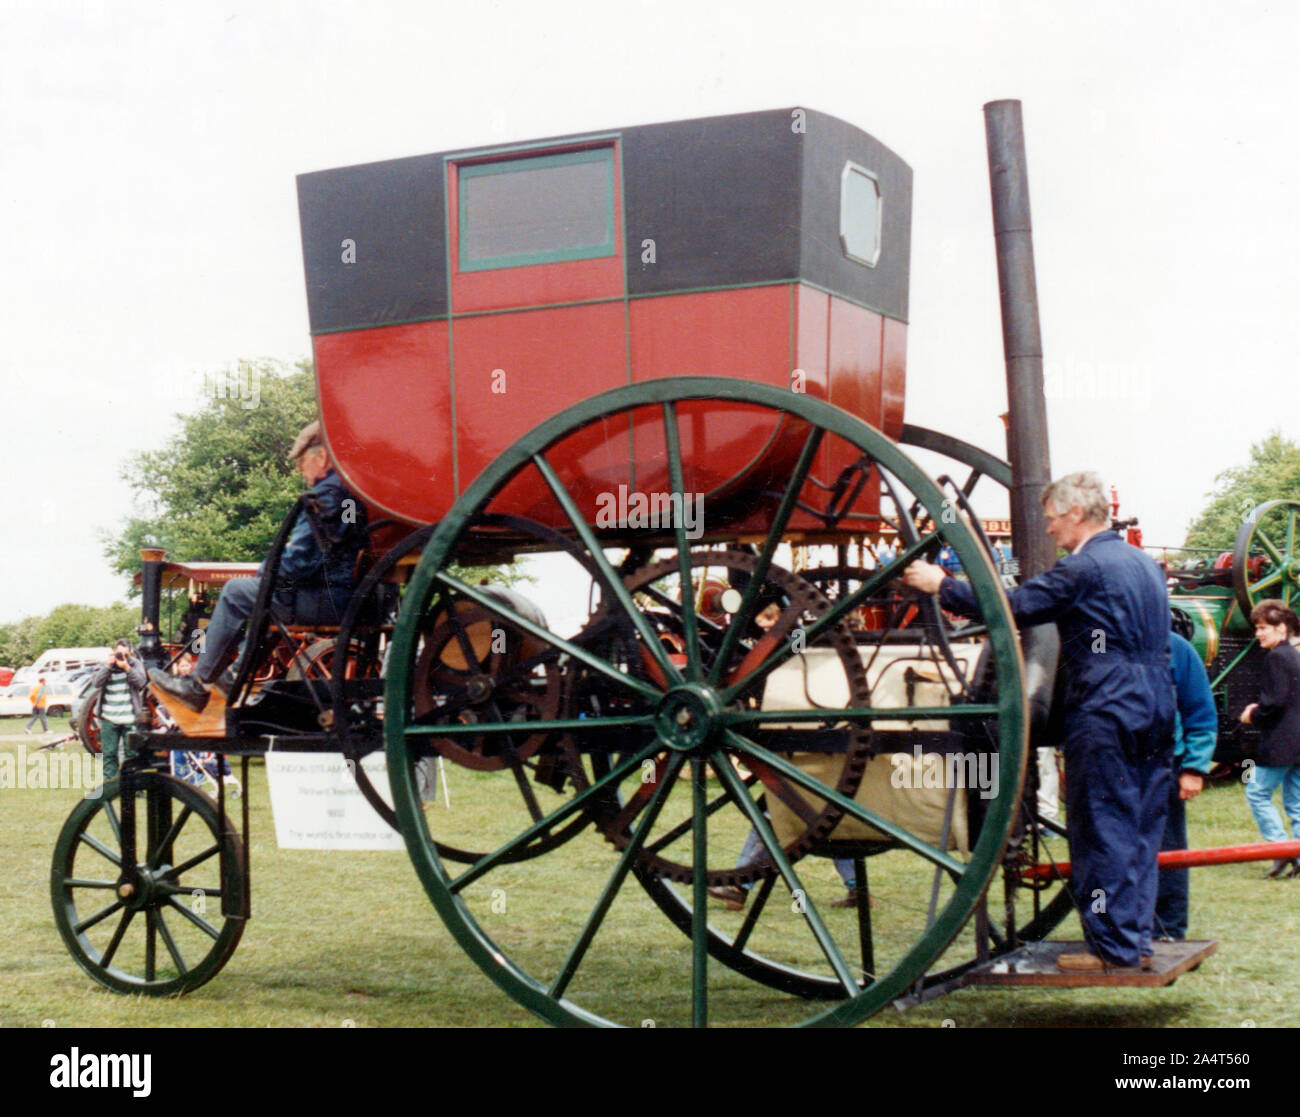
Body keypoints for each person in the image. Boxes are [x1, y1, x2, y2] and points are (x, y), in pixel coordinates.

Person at [904, 470, 1174, 971]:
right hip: (1156, 701)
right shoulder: (1144, 565)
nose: (1048, 529)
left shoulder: (1084, 569)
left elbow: (1013, 606)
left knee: (1099, 827)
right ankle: (1132, 940)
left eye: (1051, 519)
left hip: (1107, 704)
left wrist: (944, 585)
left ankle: (1111, 949)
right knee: (1139, 825)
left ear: (1075, 514)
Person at [150, 419, 366, 712]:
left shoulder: (327, 494)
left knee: (237, 591)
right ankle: (234, 676)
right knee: (264, 597)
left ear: (322, 457)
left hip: (327, 601)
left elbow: (297, 563)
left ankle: (199, 685)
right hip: (343, 595)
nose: (301, 472)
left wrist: (265, 569)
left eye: (302, 462)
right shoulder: (349, 493)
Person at [1156, 630, 1217, 939]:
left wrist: (1193, 768)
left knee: (1168, 850)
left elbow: (1201, 712)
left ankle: (1168, 928)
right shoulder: (1099, 642)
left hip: (1164, 767)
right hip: (1114, 768)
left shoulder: (1176, 648)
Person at [1238, 599, 1300, 878]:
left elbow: (1273, 703)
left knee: (1257, 792)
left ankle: (1280, 849)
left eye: (1264, 628)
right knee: (1296, 802)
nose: (1258, 634)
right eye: (1257, 628)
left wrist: (1252, 714)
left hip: (1281, 742)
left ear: (1282, 628)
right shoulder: (1297, 656)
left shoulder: (1276, 657)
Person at [87, 639, 149, 782]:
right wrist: (108, 666)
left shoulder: (135, 664)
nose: (122, 657)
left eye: (126, 655)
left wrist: (127, 668)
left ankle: (133, 785)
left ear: (130, 654)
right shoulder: (105, 665)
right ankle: (111, 785)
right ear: (114, 652)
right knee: (109, 754)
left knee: (132, 754)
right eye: (119, 654)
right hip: (109, 718)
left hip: (130, 718)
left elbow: (141, 683)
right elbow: (96, 682)